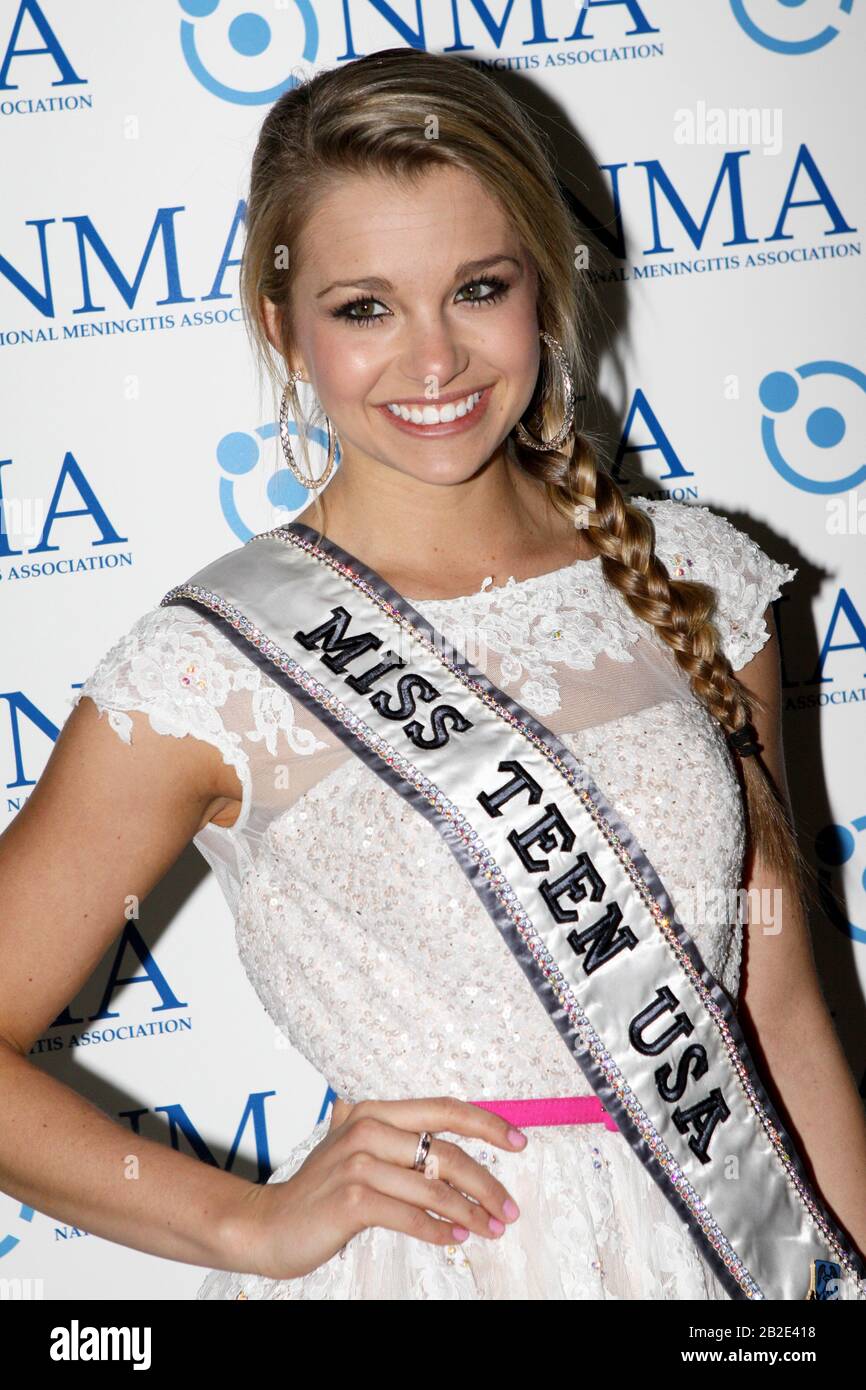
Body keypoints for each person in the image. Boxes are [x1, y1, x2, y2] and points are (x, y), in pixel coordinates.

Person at [1, 47, 864, 1303]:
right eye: (364, 306)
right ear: (280, 325)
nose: (435, 359)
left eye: (477, 288)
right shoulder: (207, 670)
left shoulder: (696, 577)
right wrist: (245, 1225)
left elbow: (774, 1006)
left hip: (726, 1261)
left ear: (543, 292)